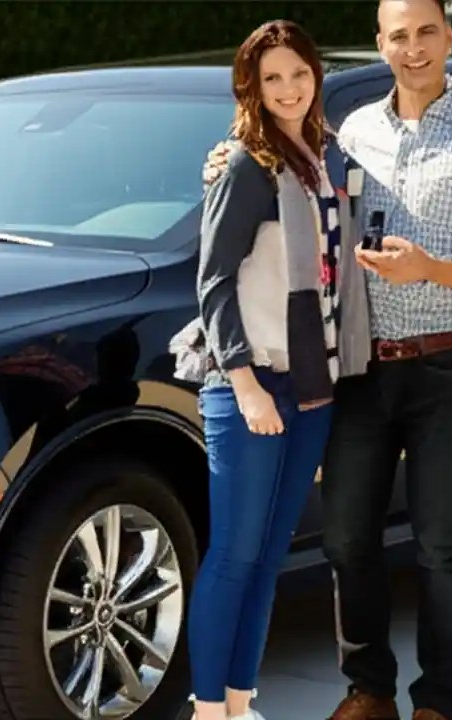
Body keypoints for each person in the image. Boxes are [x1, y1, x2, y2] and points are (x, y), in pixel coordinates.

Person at [201, 1, 452, 719]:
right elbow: (278, 168)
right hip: (357, 367)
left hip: (448, 367)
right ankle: (369, 691)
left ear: (448, 36)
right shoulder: (349, 133)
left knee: (441, 546)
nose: (413, 49)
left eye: (426, 33)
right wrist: (227, 155)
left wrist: (430, 269)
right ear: (380, 44)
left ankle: (436, 703)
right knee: (348, 538)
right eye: (398, 36)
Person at [170, 18, 372, 720]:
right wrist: (245, 383)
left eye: (298, 73)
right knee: (232, 554)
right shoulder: (246, 164)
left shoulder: (325, 157)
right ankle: (205, 711)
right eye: (272, 77)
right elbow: (213, 281)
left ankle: (239, 702)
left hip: (310, 383)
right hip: (249, 385)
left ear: (316, 77)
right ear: (251, 87)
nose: (288, 88)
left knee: (267, 557)